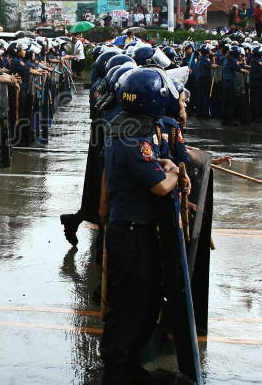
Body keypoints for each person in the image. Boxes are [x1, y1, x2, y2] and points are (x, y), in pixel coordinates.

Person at [99, 68, 179, 383]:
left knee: (140, 302)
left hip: (130, 229)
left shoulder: (125, 128)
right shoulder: (135, 139)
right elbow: (160, 186)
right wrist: (172, 171)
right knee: (130, 306)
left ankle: (126, 362)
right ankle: (119, 367)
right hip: (131, 233)